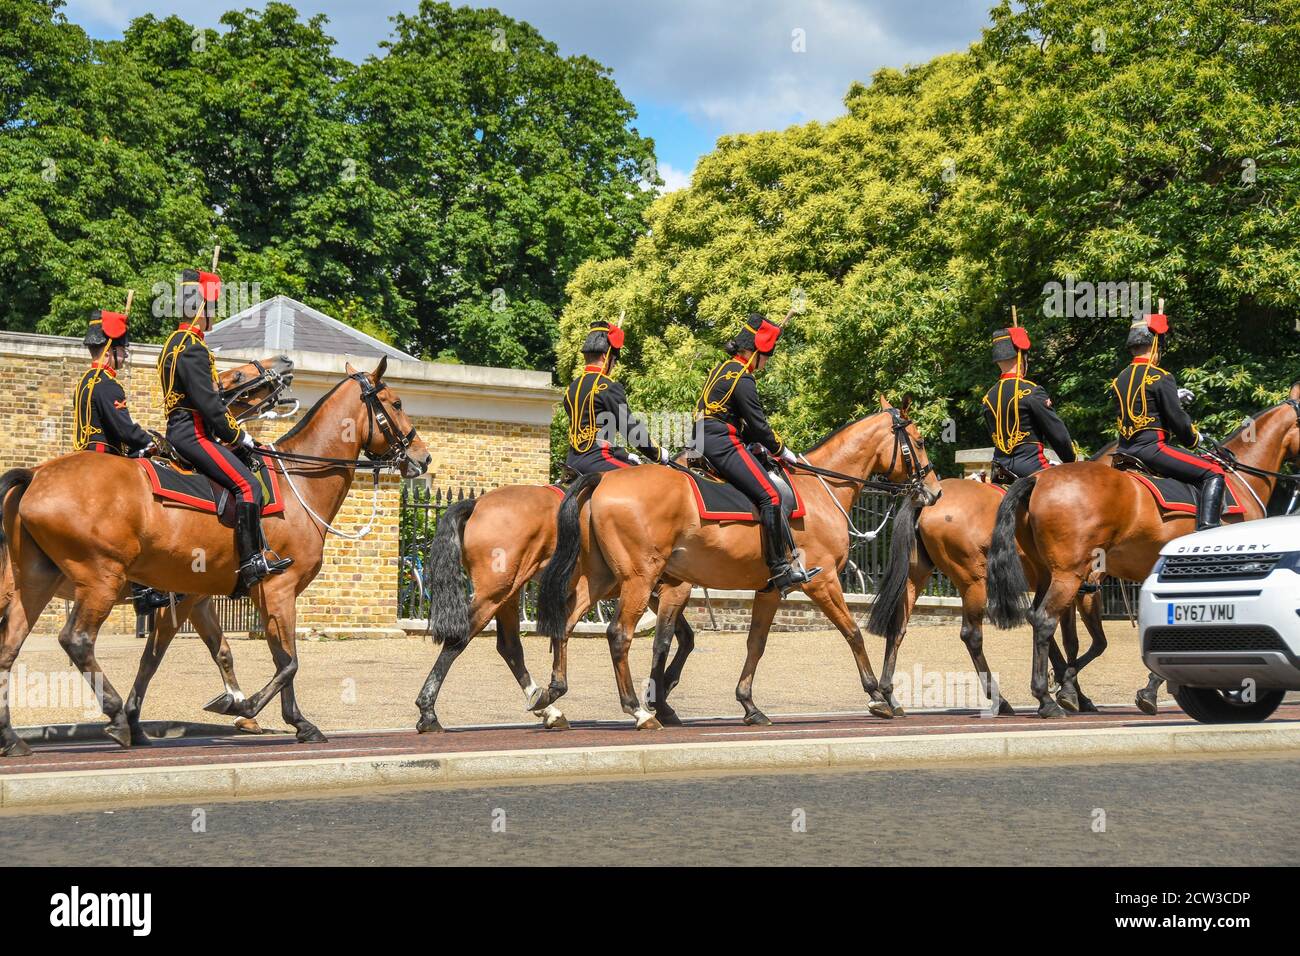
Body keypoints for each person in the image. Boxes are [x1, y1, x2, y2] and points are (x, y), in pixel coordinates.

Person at [157, 268, 292, 596]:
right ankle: (251, 562)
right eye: (212, 308)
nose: (214, 316)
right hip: (193, 434)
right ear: (200, 310)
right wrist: (240, 437)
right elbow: (211, 407)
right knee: (248, 486)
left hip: (182, 430)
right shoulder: (193, 347)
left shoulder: (171, 344)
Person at [694, 312, 818, 594]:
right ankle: (779, 568)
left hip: (705, 437)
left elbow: (743, 422)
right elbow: (759, 426)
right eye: (766, 357)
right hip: (721, 441)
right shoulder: (742, 378)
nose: (766, 364)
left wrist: (758, 444)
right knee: (771, 496)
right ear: (755, 353)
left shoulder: (721, 369)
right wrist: (782, 450)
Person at [75, 306, 171, 613]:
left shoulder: (85, 382)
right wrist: (152, 442)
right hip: (106, 463)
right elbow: (125, 431)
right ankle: (145, 590)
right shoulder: (107, 384)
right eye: (122, 351)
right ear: (109, 350)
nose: (125, 356)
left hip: (84, 458)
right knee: (144, 519)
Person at [1112, 309, 1225, 530]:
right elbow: (1177, 419)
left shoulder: (1119, 379)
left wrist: (1173, 396)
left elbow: (1141, 406)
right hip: (1153, 450)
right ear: (1155, 346)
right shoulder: (1161, 377)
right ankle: (1208, 531)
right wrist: (1194, 439)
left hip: (1124, 451)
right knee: (1214, 472)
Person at [563, 318, 666, 474]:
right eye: (615, 360)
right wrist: (657, 453)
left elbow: (594, 434)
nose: (614, 365)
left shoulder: (571, 388)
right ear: (606, 357)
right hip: (597, 462)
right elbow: (629, 427)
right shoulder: (607, 386)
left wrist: (622, 454)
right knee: (649, 478)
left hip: (571, 464)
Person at [981, 324, 1076, 481]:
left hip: (1000, 474)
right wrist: (1071, 460)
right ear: (1022, 358)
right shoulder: (1032, 391)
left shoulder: (988, 396)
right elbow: (1058, 435)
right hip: (1032, 470)